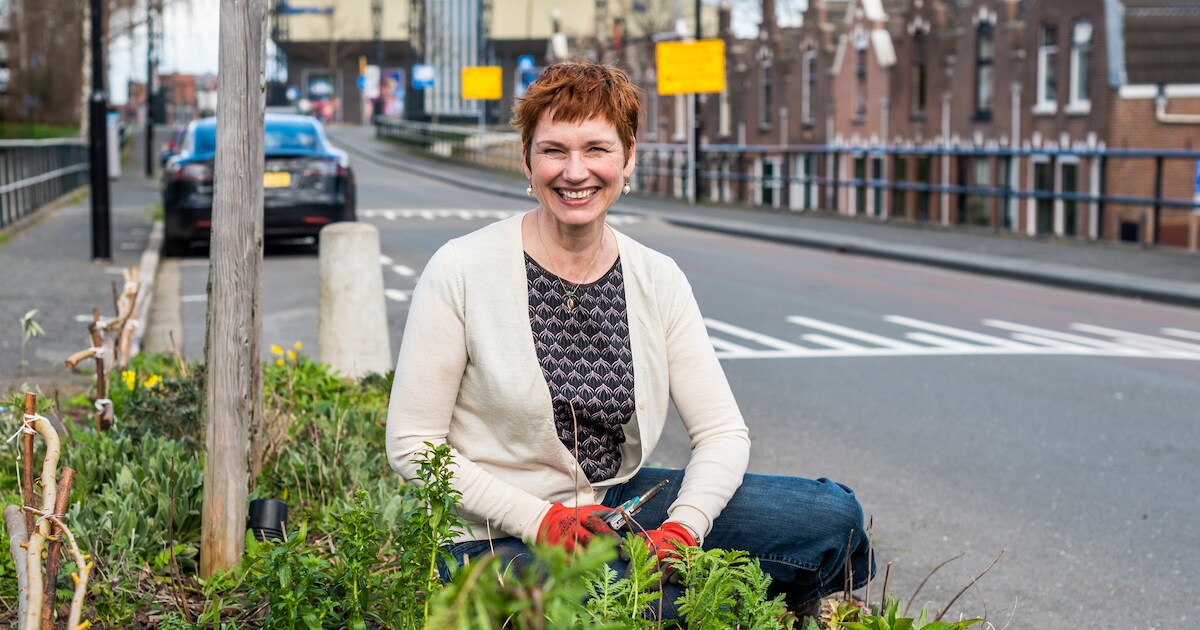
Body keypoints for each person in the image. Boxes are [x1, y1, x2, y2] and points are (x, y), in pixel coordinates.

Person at [385, 61, 872, 617]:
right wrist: (538, 519)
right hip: (494, 533)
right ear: (526, 160)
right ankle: (711, 603)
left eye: (596, 149)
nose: (575, 172)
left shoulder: (656, 276)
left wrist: (686, 528)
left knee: (830, 515)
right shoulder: (461, 268)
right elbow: (412, 443)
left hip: (614, 507)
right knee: (636, 602)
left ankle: (705, 595)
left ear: (628, 157)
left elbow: (721, 431)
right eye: (553, 151)